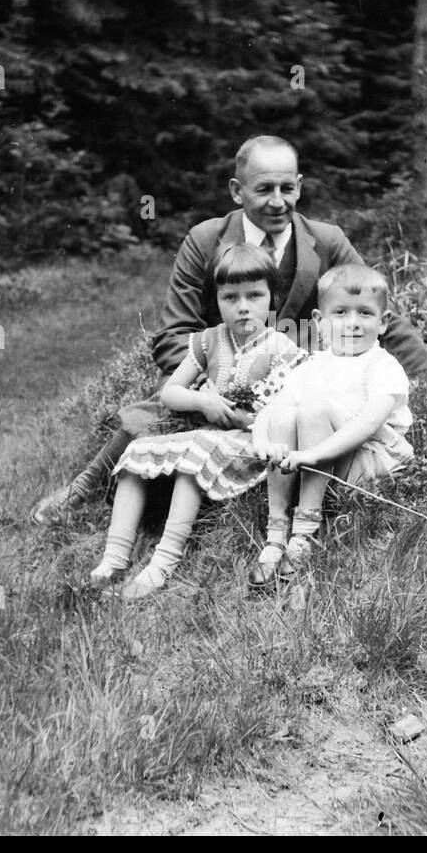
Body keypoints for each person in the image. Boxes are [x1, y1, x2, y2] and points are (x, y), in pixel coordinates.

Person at [30, 134, 427, 526]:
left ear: (299, 186)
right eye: (264, 190)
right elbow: (175, 334)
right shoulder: (205, 240)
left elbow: (372, 308)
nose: (278, 202)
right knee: (154, 412)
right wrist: (209, 385)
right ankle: (84, 487)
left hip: (293, 377)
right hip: (221, 374)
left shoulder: (326, 240)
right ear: (236, 190)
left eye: (288, 189)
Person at [91, 244, 308, 600]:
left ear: (272, 297)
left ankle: (162, 563)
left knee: (196, 454)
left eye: (254, 295)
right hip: (207, 437)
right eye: (230, 297)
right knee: (136, 450)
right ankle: (114, 557)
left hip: (252, 442)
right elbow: (170, 393)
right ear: (215, 301)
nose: (242, 307)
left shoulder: (279, 347)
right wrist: (202, 400)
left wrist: (251, 417)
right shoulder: (208, 341)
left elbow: (291, 408)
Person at [249, 264, 414, 586]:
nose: (352, 324)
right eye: (340, 313)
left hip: (367, 457)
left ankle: (305, 530)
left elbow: (368, 423)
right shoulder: (314, 364)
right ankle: (276, 530)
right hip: (317, 458)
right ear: (319, 322)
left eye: (365, 313)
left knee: (313, 408)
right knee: (286, 412)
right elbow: (272, 409)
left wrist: (315, 454)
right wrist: (261, 441)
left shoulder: (382, 365)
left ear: (383, 323)